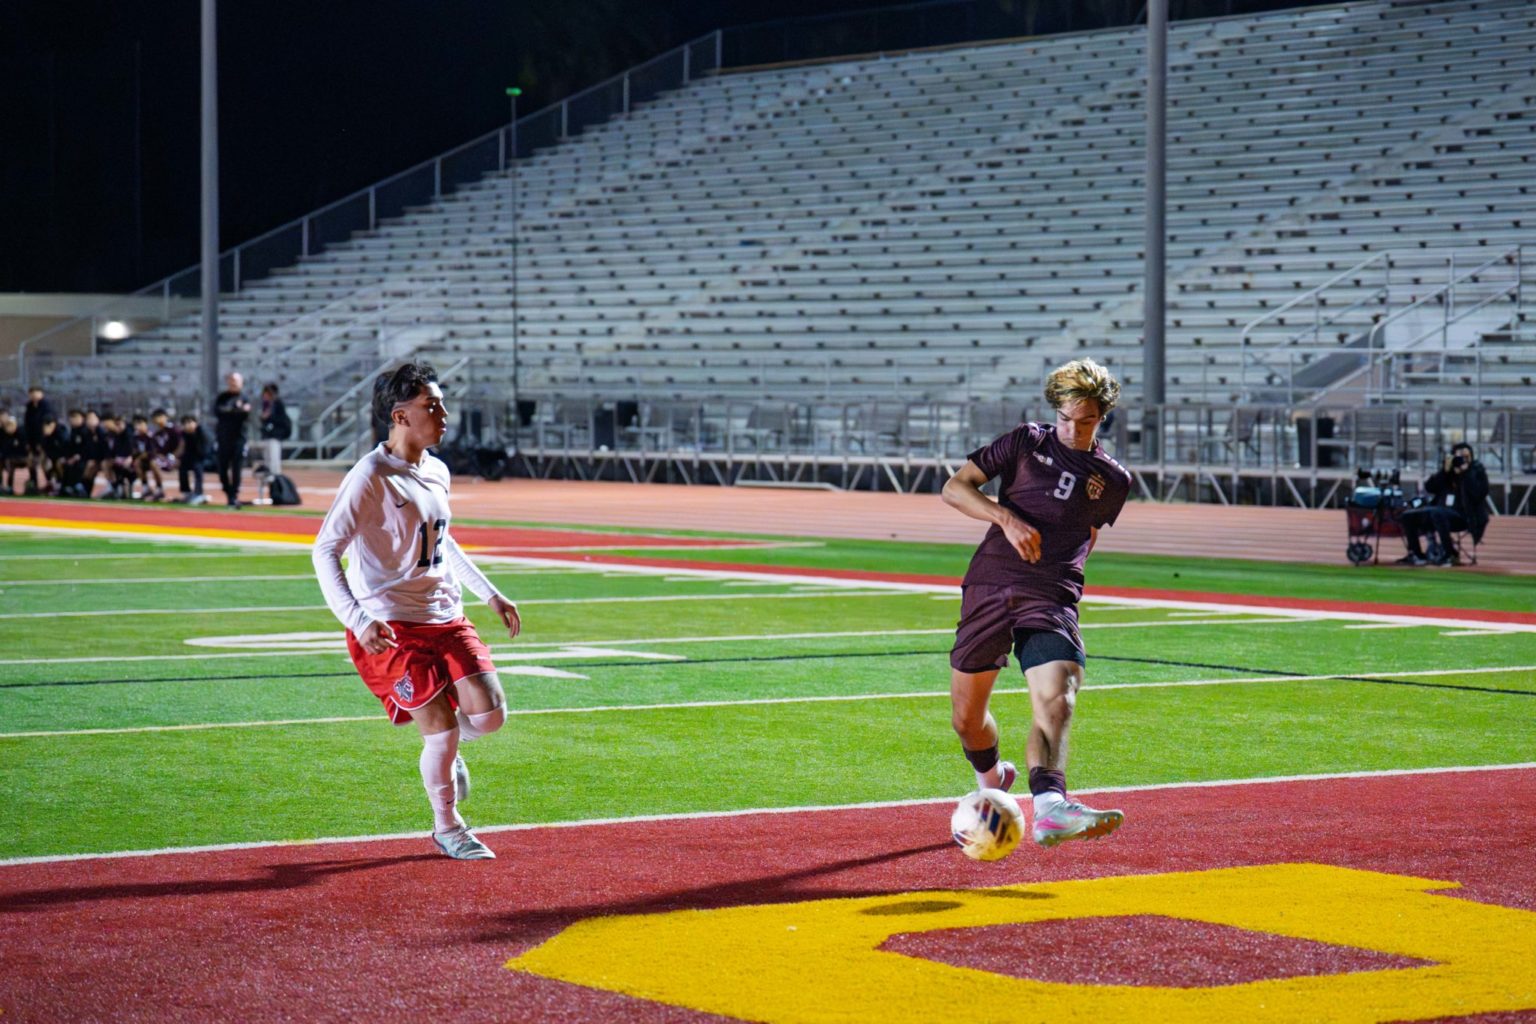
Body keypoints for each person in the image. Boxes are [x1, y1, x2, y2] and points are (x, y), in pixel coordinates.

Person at [312, 362, 521, 860]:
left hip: (446, 615)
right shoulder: (370, 476)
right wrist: (359, 621)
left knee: (490, 716)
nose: (444, 414)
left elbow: (443, 542)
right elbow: (324, 550)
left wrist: (489, 592)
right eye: (432, 406)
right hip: (392, 625)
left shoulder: (437, 469)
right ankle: (448, 827)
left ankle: (448, 757)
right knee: (442, 733)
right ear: (400, 415)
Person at [941, 357, 1132, 849]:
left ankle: (1050, 806)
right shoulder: (1026, 441)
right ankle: (991, 780)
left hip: (1051, 592)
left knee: (1059, 692)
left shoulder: (1113, 479)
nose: (1072, 429)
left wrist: (1064, 578)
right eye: (1066, 417)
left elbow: (1087, 535)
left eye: (1085, 420)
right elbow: (955, 488)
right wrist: (1006, 519)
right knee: (966, 718)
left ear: (1102, 416)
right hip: (990, 582)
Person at [1397, 442, 1489, 566]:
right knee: (1407, 516)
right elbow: (1429, 487)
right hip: (1440, 512)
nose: (1463, 460)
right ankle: (1416, 554)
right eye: (1460, 457)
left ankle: (1450, 554)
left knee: (1437, 512)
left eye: (1467, 457)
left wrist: (1465, 473)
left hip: (1464, 516)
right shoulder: (1447, 473)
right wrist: (1444, 471)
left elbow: (1478, 494)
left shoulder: (1477, 471)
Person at [214, 372, 252, 508]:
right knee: (222, 469)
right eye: (231, 380)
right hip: (223, 438)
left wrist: (232, 411)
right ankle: (228, 491)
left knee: (237, 469)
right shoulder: (222, 398)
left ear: (241, 383)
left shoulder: (245, 398)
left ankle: (233, 496)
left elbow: (245, 413)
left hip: (239, 439)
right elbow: (218, 412)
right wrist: (235, 410)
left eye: (236, 381)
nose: (233, 383)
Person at [22, 385, 57, 495]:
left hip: (44, 440)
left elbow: (49, 423)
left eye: (36, 392)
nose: (34, 395)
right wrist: (28, 442)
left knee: (45, 463)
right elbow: (27, 424)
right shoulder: (29, 407)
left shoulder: (47, 406)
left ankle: (50, 484)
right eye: (31, 393)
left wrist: (42, 442)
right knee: (31, 462)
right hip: (32, 438)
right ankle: (33, 483)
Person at [258, 383, 291, 478]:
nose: (265, 396)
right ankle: (269, 474)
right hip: (268, 434)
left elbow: (281, 420)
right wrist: (264, 418)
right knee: (267, 455)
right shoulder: (266, 404)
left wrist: (268, 417)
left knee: (274, 456)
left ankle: (276, 476)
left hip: (276, 434)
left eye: (267, 394)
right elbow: (264, 419)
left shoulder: (278, 404)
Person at [177, 413, 209, 504]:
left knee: (197, 467)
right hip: (192, 457)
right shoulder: (184, 434)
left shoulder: (202, 431)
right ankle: (186, 492)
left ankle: (198, 493)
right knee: (182, 467)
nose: (187, 425)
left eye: (190, 422)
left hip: (207, 458)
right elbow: (182, 447)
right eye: (185, 423)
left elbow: (206, 449)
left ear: (195, 423)